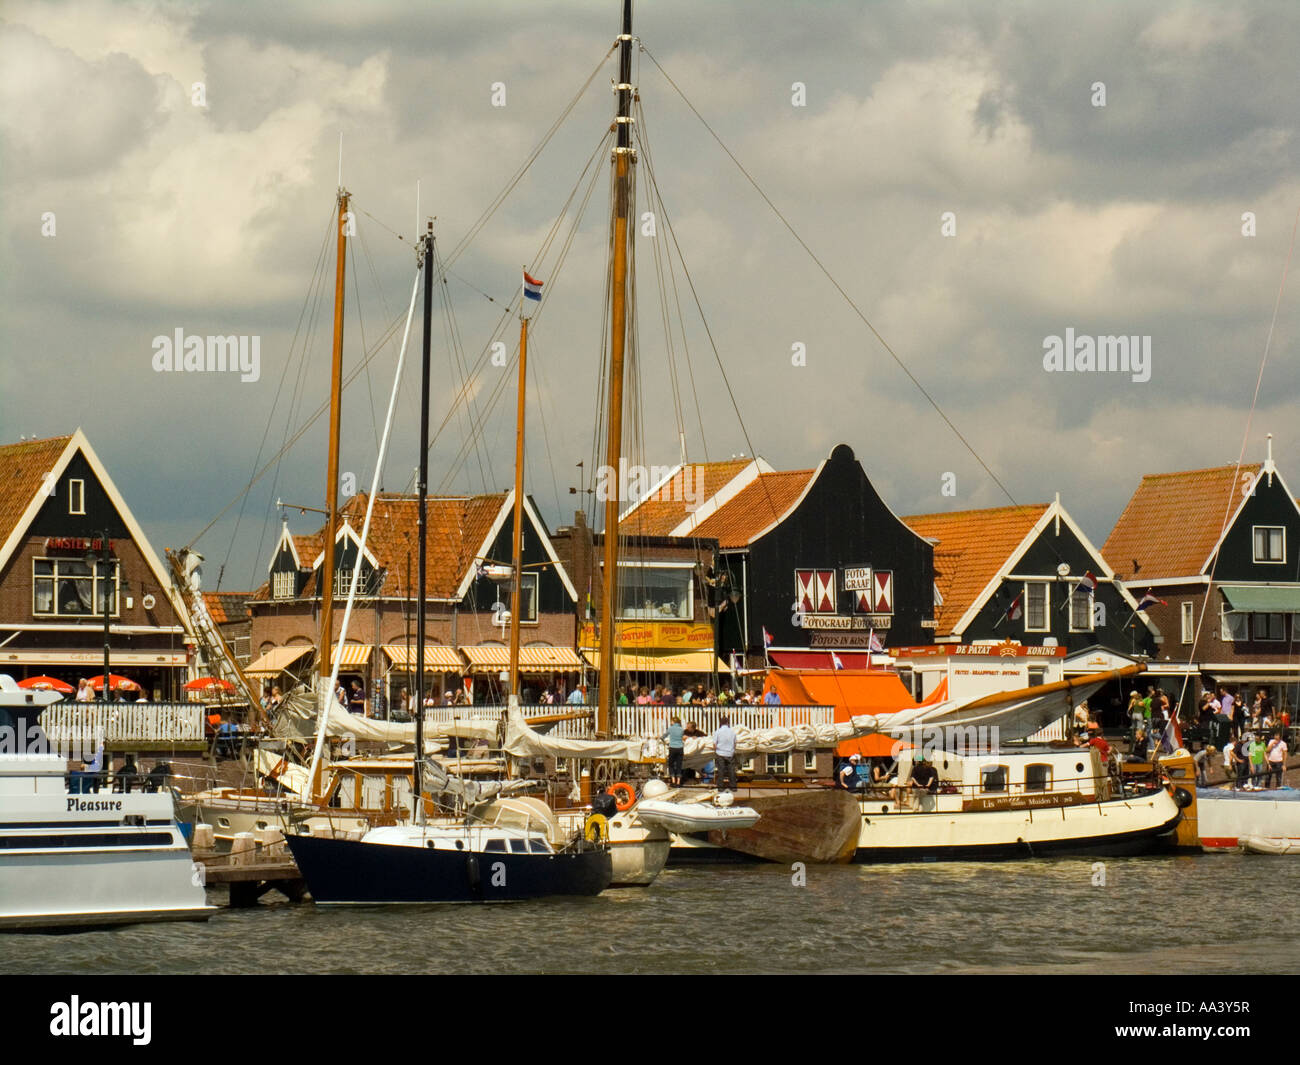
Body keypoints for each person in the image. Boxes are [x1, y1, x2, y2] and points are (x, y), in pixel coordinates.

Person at [714, 715, 738, 792]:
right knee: (731, 770)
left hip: (720, 753)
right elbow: (735, 743)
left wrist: (716, 750)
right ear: (728, 723)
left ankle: (720, 787)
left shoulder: (717, 731)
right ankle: (733, 786)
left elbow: (714, 744)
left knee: (721, 771)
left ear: (720, 723)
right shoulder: (732, 732)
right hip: (730, 753)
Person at [662, 715, 684, 786]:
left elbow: (663, 736)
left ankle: (673, 780)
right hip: (680, 747)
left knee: (671, 764)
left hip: (672, 747)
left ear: (673, 721)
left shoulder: (670, 728)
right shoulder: (681, 729)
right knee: (679, 765)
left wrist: (664, 741)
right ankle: (678, 782)